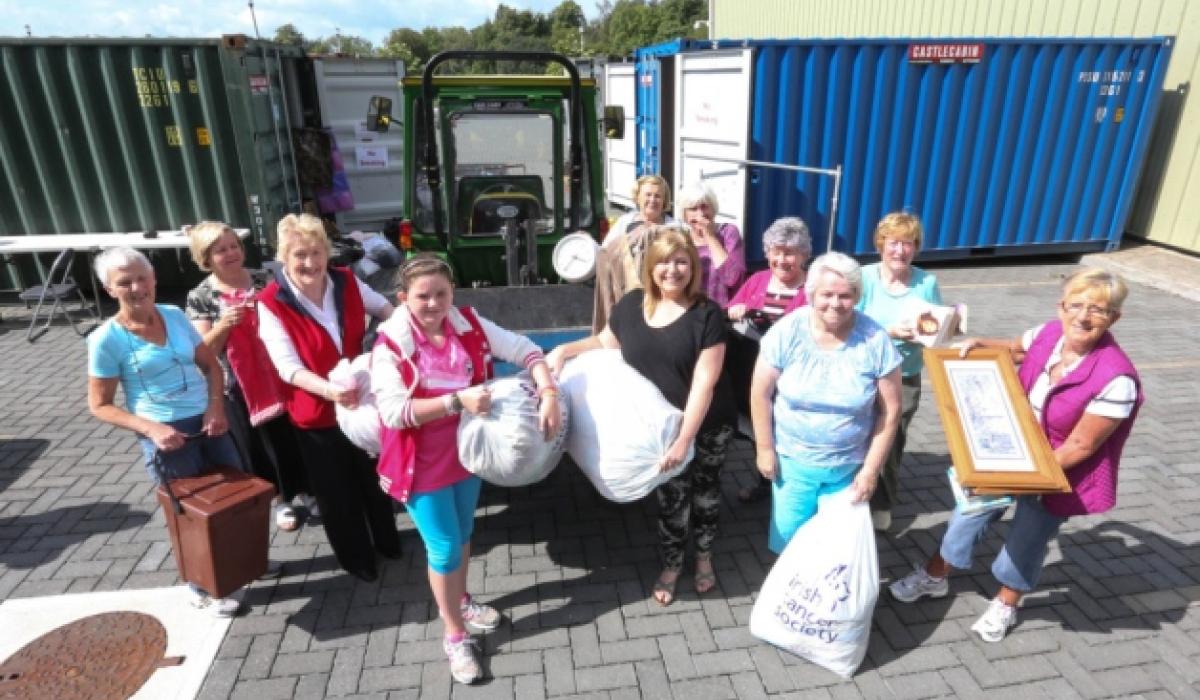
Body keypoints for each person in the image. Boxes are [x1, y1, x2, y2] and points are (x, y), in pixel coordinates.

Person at [890, 268, 1142, 643]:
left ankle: (1007, 603)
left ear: (1114, 318)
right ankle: (935, 576)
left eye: (1098, 309)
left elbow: (1080, 446)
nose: (1083, 317)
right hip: (1010, 450)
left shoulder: (1116, 378)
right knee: (966, 516)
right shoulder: (1048, 333)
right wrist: (978, 344)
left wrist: (1018, 477)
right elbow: (1015, 349)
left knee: (1027, 539)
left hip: (1059, 470)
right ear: (1061, 307)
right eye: (1076, 305)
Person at [371, 253, 561, 685]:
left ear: (452, 292)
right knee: (443, 548)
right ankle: (455, 636)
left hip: (469, 454)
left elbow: (527, 350)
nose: (434, 304)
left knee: (463, 534)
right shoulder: (391, 345)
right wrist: (457, 401)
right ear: (403, 298)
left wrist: (548, 392)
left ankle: (460, 599)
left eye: (441, 293)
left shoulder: (469, 323)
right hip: (421, 463)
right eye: (423, 296)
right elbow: (394, 412)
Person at [549, 229, 736, 607]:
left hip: (706, 423)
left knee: (704, 492)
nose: (673, 270)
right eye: (664, 261)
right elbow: (605, 343)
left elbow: (705, 384)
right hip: (660, 427)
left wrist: (684, 439)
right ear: (650, 267)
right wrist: (565, 350)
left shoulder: (707, 314)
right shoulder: (633, 304)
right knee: (672, 497)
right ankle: (672, 564)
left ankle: (703, 557)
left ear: (693, 267)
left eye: (681, 261)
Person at [86, 247, 248, 617]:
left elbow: (211, 366)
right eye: (124, 282)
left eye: (142, 278)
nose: (136, 287)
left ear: (154, 278)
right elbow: (100, 405)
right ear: (110, 289)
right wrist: (151, 428)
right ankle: (201, 587)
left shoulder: (174, 315)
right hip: (167, 436)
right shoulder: (105, 339)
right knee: (189, 513)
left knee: (232, 501)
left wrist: (215, 407)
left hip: (210, 423)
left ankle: (240, 565)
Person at [258, 213, 401, 582]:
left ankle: (387, 542)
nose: (310, 263)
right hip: (317, 411)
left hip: (362, 403)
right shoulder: (271, 301)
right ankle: (357, 560)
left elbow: (386, 310)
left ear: (327, 252)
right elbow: (287, 367)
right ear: (283, 258)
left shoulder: (346, 280)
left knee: (374, 478)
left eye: (316, 252)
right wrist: (332, 391)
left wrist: (387, 344)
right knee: (336, 492)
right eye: (299, 255)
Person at [749, 252, 902, 555]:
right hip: (792, 464)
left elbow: (891, 410)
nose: (835, 303)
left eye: (845, 295)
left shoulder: (875, 339)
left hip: (848, 468)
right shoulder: (786, 332)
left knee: (835, 548)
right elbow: (760, 393)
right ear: (811, 294)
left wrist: (871, 470)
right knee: (790, 542)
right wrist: (764, 449)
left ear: (857, 296)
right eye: (827, 294)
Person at [185, 222, 310, 532]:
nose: (231, 253)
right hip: (239, 386)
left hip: (282, 374)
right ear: (205, 257)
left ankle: (308, 490)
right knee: (259, 445)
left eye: (234, 246)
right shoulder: (200, 296)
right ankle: (280, 500)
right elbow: (203, 352)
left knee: (296, 435)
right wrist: (225, 323)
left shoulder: (265, 278)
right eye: (221, 250)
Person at [855, 212, 943, 531]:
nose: (900, 251)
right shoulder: (863, 277)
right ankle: (849, 495)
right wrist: (890, 331)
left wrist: (934, 331)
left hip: (905, 374)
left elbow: (937, 326)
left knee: (891, 440)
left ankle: (881, 502)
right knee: (854, 434)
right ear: (881, 244)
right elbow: (848, 322)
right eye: (894, 243)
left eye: (908, 244)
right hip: (862, 372)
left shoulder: (926, 282)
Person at [725, 217, 813, 503]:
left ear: (803, 255)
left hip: (795, 375)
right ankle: (765, 482)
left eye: (790, 253)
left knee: (790, 431)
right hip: (755, 371)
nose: (782, 260)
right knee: (759, 427)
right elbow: (731, 308)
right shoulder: (758, 280)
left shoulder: (812, 287)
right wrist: (737, 308)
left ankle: (791, 489)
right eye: (776, 252)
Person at [593, 175, 674, 332]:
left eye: (658, 196)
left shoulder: (674, 226)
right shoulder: (624, 222)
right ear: (638, 197)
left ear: (664, 200)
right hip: (625, 292)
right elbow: (606, 253)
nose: (652, 200)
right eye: (648, 195)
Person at [677, 181, 745, 307]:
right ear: (684, 215)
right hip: (691, 308)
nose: (701, 214)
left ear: (713, 208)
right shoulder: (682, 239)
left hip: (723, 310)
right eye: (693, 208)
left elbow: (732, 278)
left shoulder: (728, 232)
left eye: (704, 207)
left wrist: (709, 236)